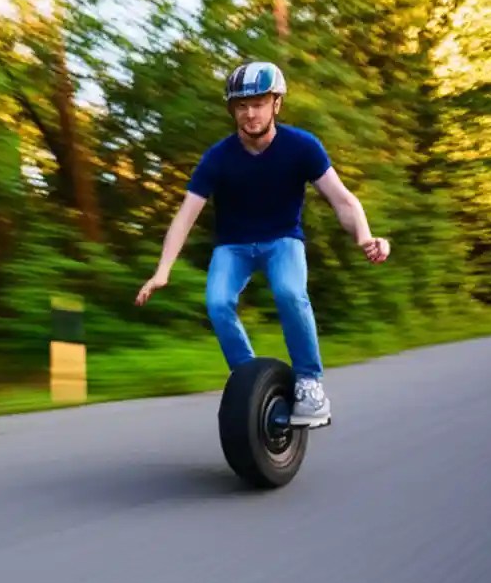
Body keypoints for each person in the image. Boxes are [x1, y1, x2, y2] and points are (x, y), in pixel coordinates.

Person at [134, 61, 390, 426]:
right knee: (217, 302)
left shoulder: (302, 147)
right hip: (233, 246)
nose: (250, 113)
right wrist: (163, 271)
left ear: (276, 104)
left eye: (258, 103)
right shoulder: (218, 157)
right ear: (232, 110)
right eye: (241, 106)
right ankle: (249, 382)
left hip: (282, 240)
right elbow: (184, 217)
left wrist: (364, 237)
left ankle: (309, 383)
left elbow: (344, 201)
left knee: (289, 292)